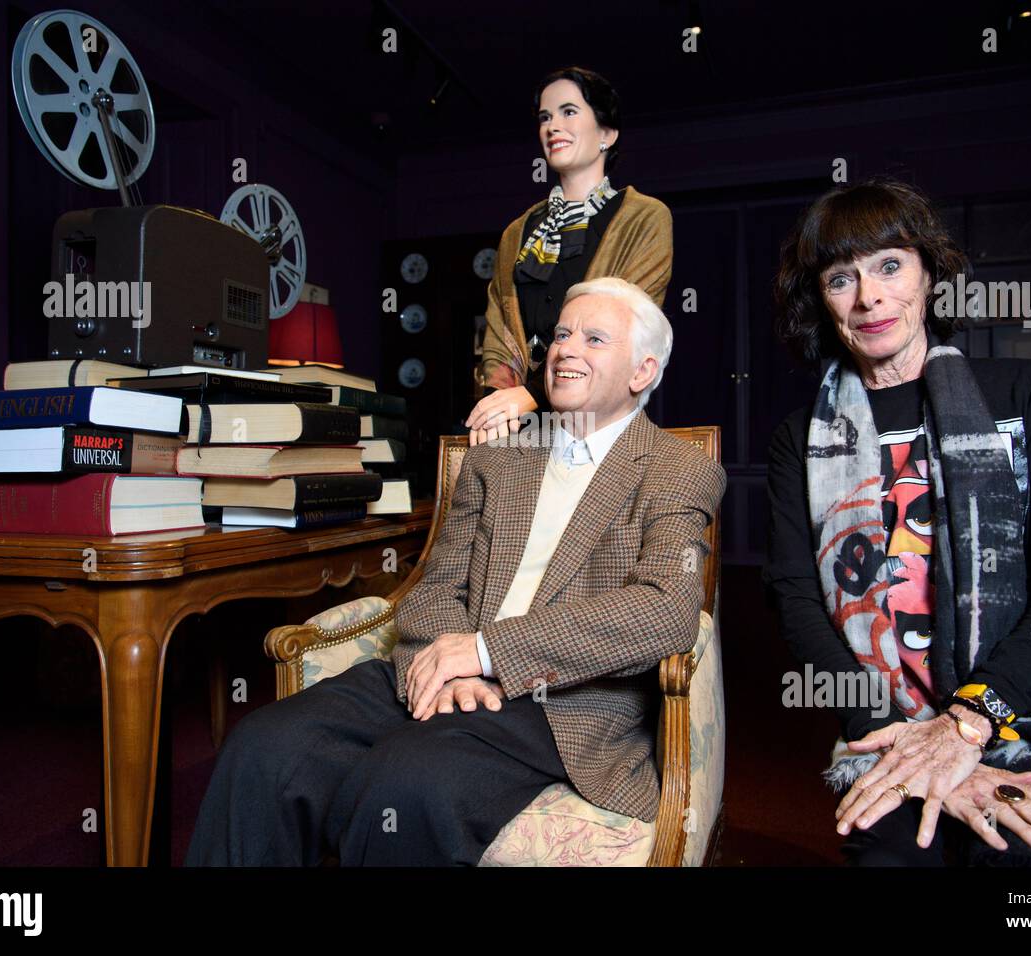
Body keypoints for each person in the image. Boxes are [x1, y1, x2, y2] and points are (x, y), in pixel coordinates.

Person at [185, 277, 725, 865]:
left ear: (642, 372)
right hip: (441, 665)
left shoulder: (676, 469)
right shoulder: (496, 459)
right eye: (563, 334)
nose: (567, 349)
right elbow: (438, 582)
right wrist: (452, 663)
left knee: (405, 783)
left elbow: (665, 610)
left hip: (565, 701)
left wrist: (488, 652)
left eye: (595, 338)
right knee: (263, 749)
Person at [764, 177, 1031, 866]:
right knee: (892, 855)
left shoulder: (1027, 396)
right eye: (840, 279)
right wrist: (891, 733)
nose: (870, 296)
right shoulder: (799, 438)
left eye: (890, 265)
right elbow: (797, 603)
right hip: (890, 720)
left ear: (929, 275)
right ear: (821, 304)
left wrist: (970, 724)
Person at [465, 66, 673, 446]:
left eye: (569, 112)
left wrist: (531, 395)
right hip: (523, 425)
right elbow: (499, 330)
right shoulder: (518, 232)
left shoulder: (646, 218)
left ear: (607, 134)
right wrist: (497, 404)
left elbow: (624, 333)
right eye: (545, 117)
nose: (552, 126)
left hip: (602, 423)